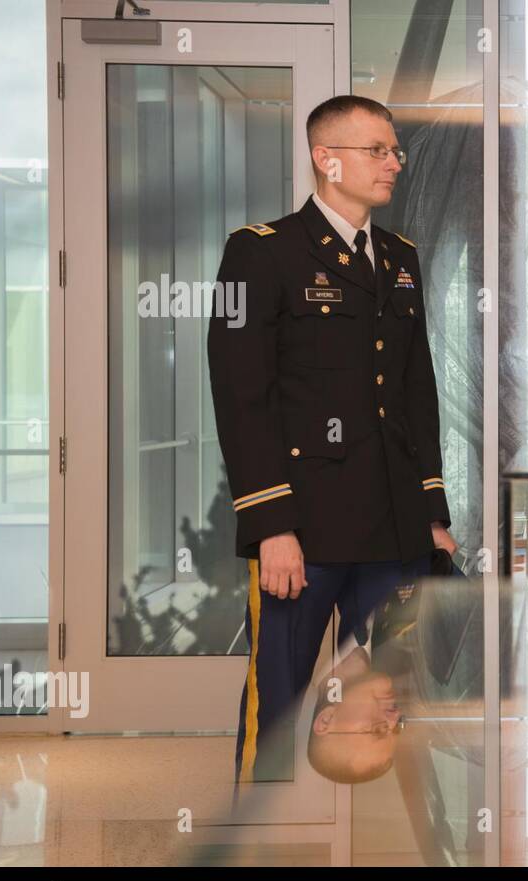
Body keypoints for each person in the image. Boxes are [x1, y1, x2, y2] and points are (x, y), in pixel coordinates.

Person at [207, 94, 457, 784]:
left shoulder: (400, 256)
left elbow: (415, 392)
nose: (394, 164)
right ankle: (261, 840)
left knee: (391, 691)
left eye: (396, 151)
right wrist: (270, 525)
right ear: (327, 158)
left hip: (395, 526)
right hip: (304, 528)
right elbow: (242, 396)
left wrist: (432, 513)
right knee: (280, 695)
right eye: (377, 150)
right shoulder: (261, 254)